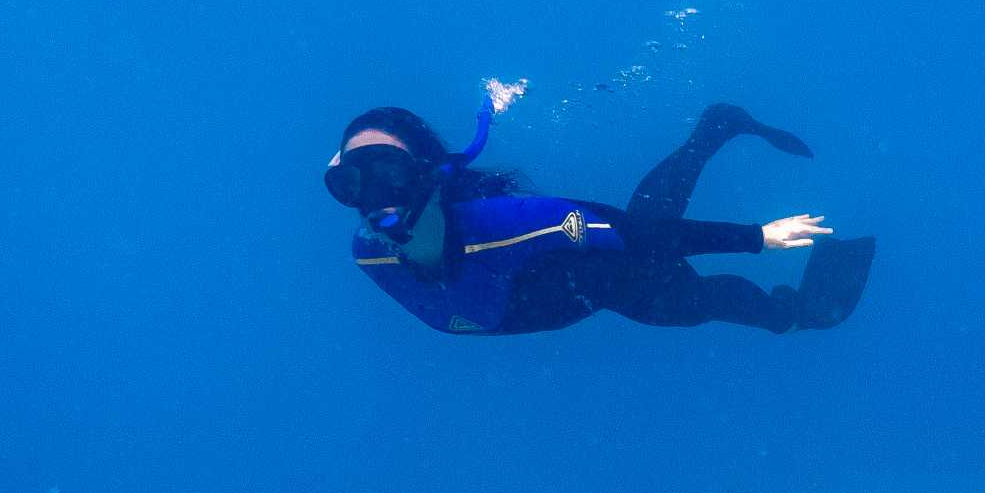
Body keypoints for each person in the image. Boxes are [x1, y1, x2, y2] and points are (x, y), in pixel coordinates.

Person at [326, 100, 874, 337]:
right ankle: (715, 128)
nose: (374, 197)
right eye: (351, 181)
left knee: (684, 299)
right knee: (652, 226)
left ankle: (791, 314)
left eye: (389, 172)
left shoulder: (511, 224)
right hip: (538, 303)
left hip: (598, 279)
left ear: (430, 175)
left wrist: (758, 237)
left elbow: (638, 234)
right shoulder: (368, 254)